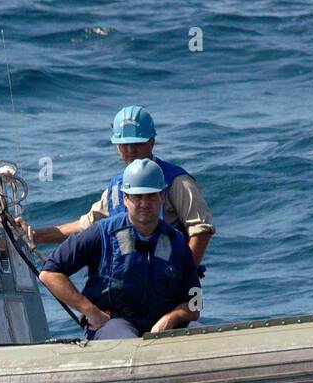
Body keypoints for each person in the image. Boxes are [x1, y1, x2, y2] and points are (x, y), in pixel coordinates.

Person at [23, 106, 214, 266]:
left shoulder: (177, 181)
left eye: (136, 143)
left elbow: (201, 230)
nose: (130, 150)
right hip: (129, 281)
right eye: (124, 144)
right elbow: (86, 226)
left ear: (152, 142)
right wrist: (35, 235)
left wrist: (184, 276)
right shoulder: (116, 188)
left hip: (167, 279)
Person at [39, 159, 201, 340]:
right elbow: (49, 273)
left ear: (162, 197)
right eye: (137, 197)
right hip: (114, 324)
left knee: (198, 333)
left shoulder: (176, 241)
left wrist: (172, 318)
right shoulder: (102, 234)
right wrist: (90, 310)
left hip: (161, 327)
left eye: (151, 196)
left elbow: (194, 303)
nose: (144, 203)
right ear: (125, 199)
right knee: (126, 340)